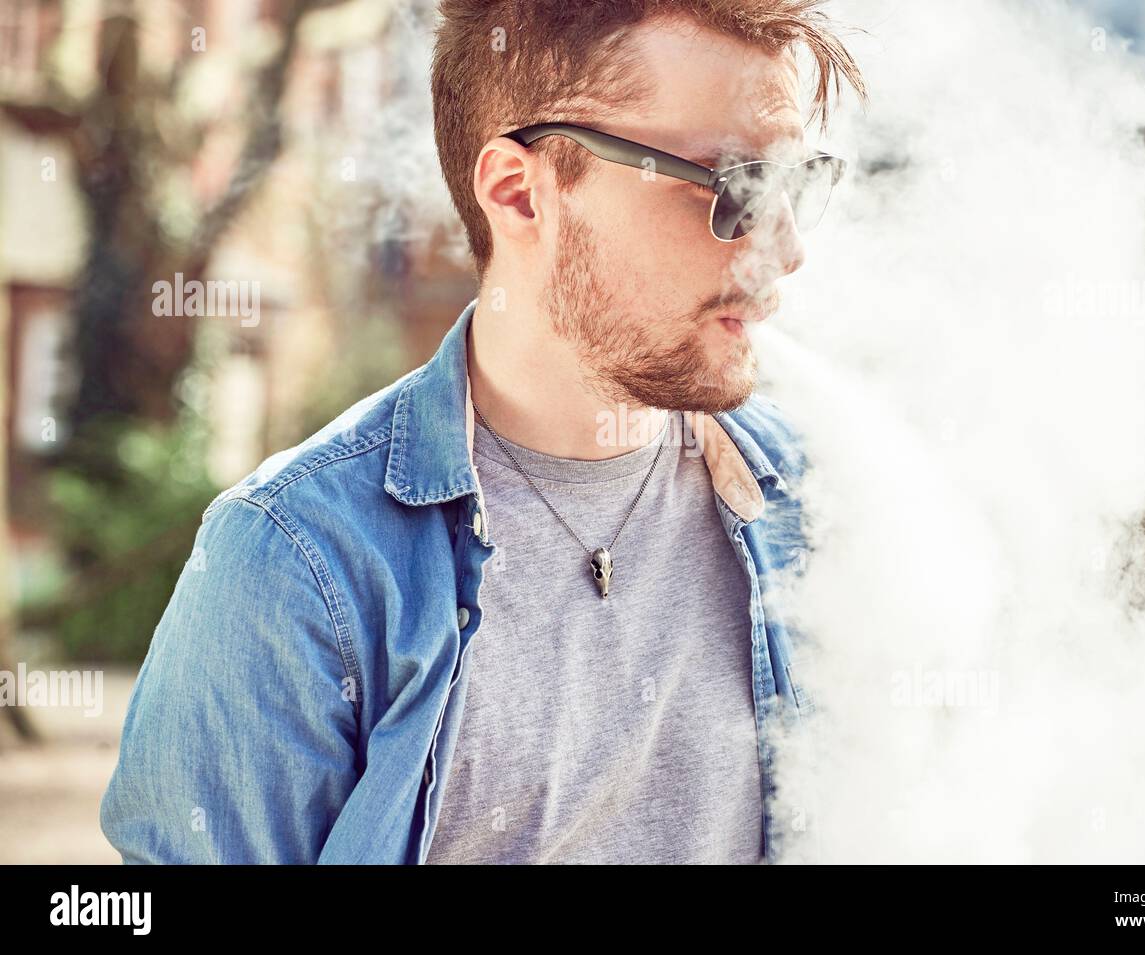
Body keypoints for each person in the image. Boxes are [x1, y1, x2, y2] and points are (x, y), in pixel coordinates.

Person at [100, 0, 865, 864]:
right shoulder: (295, 561)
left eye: (797, 183)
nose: (788, 246)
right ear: (519, 193)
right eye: (735, 188)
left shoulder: (816, 496)